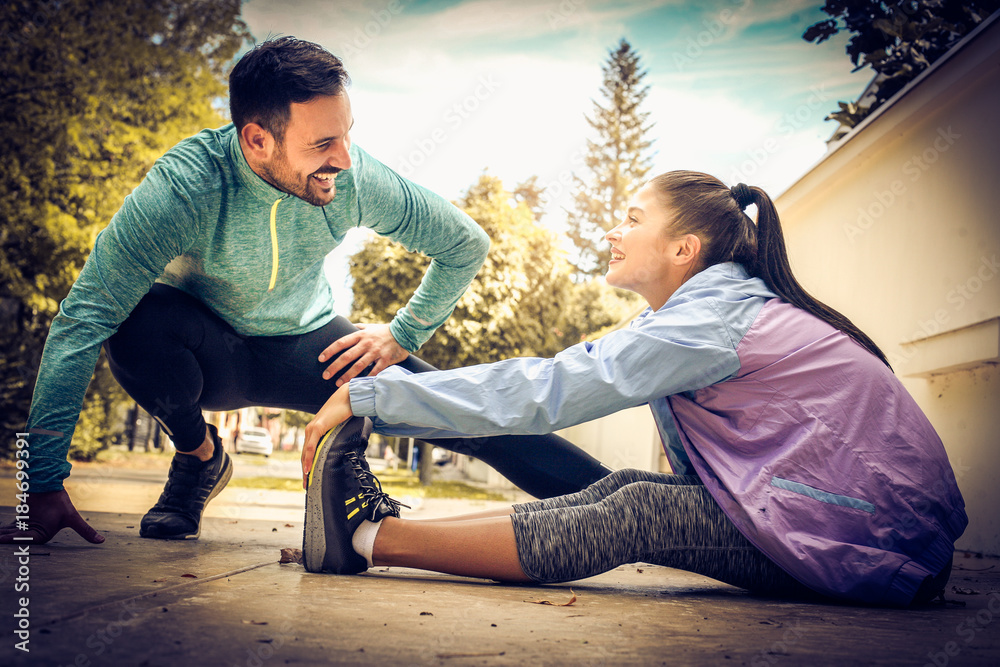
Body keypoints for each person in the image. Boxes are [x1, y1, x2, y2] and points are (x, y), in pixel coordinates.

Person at [0, 37, 610, 546]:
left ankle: (634, 505)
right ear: (256, 140)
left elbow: (464, 243)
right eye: (322, 144)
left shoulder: (352, 176)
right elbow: (82, 320)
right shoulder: (182, 189)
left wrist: (404, 335)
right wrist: (42, 483)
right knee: (135, 320)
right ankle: (198, 458)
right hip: (203, 346)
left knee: (471, 412)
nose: (344, 158)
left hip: (311, 346)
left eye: (346, 134)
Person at [300, 171, 967, 606]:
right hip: (861, 522)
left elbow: (547, 389)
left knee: (636, 512)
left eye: (632, 216)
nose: (613, 230)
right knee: (623, 489)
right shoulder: (701, 313)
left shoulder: (708, 322)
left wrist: (371, 395)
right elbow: (561, 375)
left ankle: (366, 539)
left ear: (684, 249)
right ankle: (372, 531)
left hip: (880, 541)